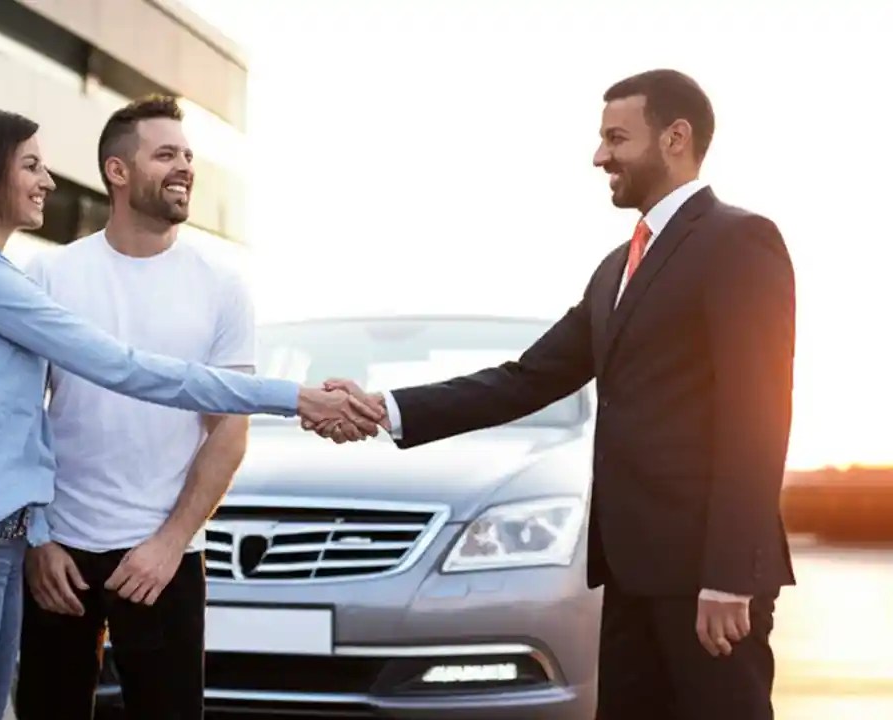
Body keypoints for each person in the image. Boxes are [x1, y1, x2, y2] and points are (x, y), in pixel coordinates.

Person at [309, 69, 795, 720]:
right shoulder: (616, 269)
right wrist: (384, 408)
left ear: (675, 138)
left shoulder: (739, 240)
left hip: (704, 579)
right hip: (628, 572)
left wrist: (731, 574)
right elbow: (526, 378)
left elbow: (757, 415)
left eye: (616, 138)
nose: (600, 157)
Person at [0, 106, 381, 720]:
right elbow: (121, 367)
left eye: (188, 154)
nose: (48, 182)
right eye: (32, 166)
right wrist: (296, 397)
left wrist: (149, 540)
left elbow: (18, 426)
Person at [10, 95, 257, 719]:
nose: (184, 168)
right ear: (118, 171)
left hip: (166, 557)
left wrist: (170, 543)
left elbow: (228, 431)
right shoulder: (50, 276)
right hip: (59, 559)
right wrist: (38, 539)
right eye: (166, 154)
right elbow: (16, 418)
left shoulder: (221, 285)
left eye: (189, 155)